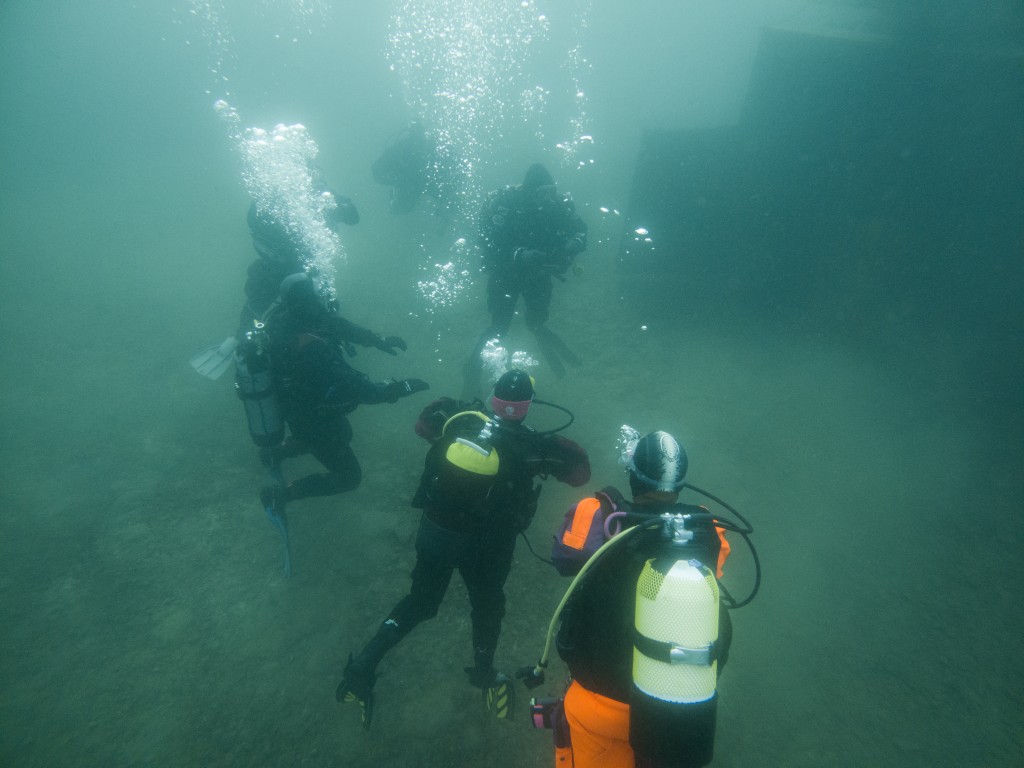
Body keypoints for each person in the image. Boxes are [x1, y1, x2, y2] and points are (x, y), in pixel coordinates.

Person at [335, 370, 591, 728]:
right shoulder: (534, 448)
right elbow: (581, 473)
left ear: (493, 397)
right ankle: (485, 673)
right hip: (488, 546)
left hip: (437, 533)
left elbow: (422, 426)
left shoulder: (460, 420)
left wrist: (462, 417)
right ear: (527, 405)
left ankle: (362, 667)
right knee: (487, 606)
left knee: (420, 602)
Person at [542, 431, 734, 768]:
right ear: (680, 484)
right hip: (677, 719)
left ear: (632, 474)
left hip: (601, 709)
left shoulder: (602, 513)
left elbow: (564, 559)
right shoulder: (706, 525)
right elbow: (711, 572)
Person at [257, 272, 429, 523]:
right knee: (349, 477)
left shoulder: (283, 319)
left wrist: (377, 340)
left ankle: (278, 452)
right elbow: (359, 388)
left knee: (343, 435)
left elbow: (336, 325)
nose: (320, 300)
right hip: (311, 417)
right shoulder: (311, 346)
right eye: (314, 296)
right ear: (306, 301)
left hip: (297, 407)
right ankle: (281, 495)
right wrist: (399, 389)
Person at [464, 163, 588, 396]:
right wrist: (519, 254)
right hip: (506, 274)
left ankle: (545, 340)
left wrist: (575, 243)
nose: (547, 197)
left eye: (551, 191)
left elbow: (581, 230)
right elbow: (489, 243)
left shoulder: (557, 206)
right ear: (529, 190)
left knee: (537, 320)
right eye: (541, 192)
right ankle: (471, 371)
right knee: (498, 327)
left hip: (538, 273)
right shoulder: (507, 205)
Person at [371, 121, 453, 215]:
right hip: (411, 181)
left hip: (418, 181)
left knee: (433, 190)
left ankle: (445, 204)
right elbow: (376, 170)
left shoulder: (427, 147)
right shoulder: (401, 148)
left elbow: (438, 173)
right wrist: (395, 179)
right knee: (403, 204)